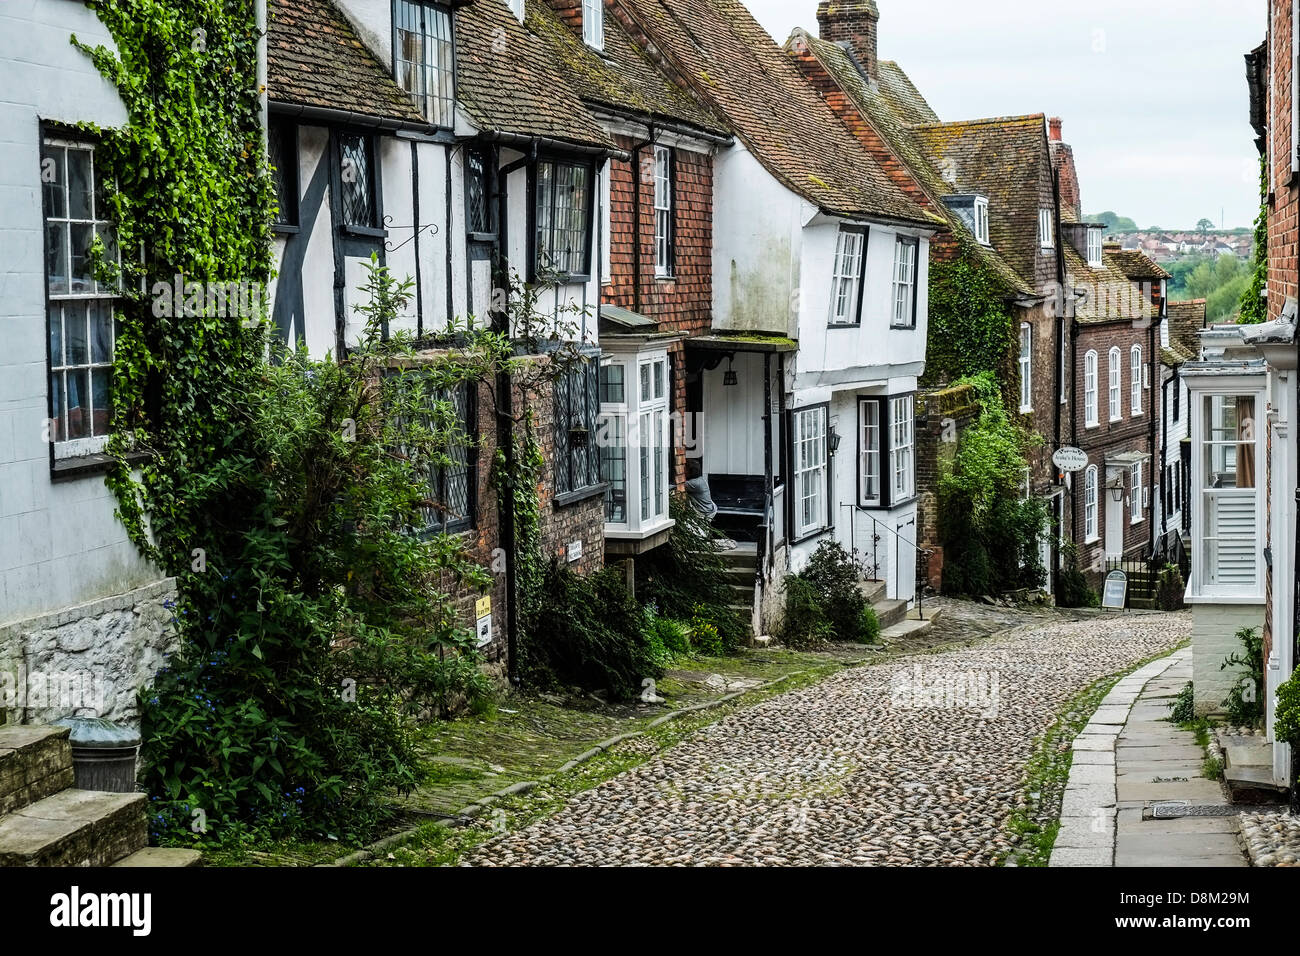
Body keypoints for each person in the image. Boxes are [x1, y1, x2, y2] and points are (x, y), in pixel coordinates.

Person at [684, 457, 718, 522]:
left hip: (704, 513)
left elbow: (676, 486)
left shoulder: (694, 483)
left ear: (690, 471)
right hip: (709, 509)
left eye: (685, 469)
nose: (683, 471)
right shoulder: (700, 479)